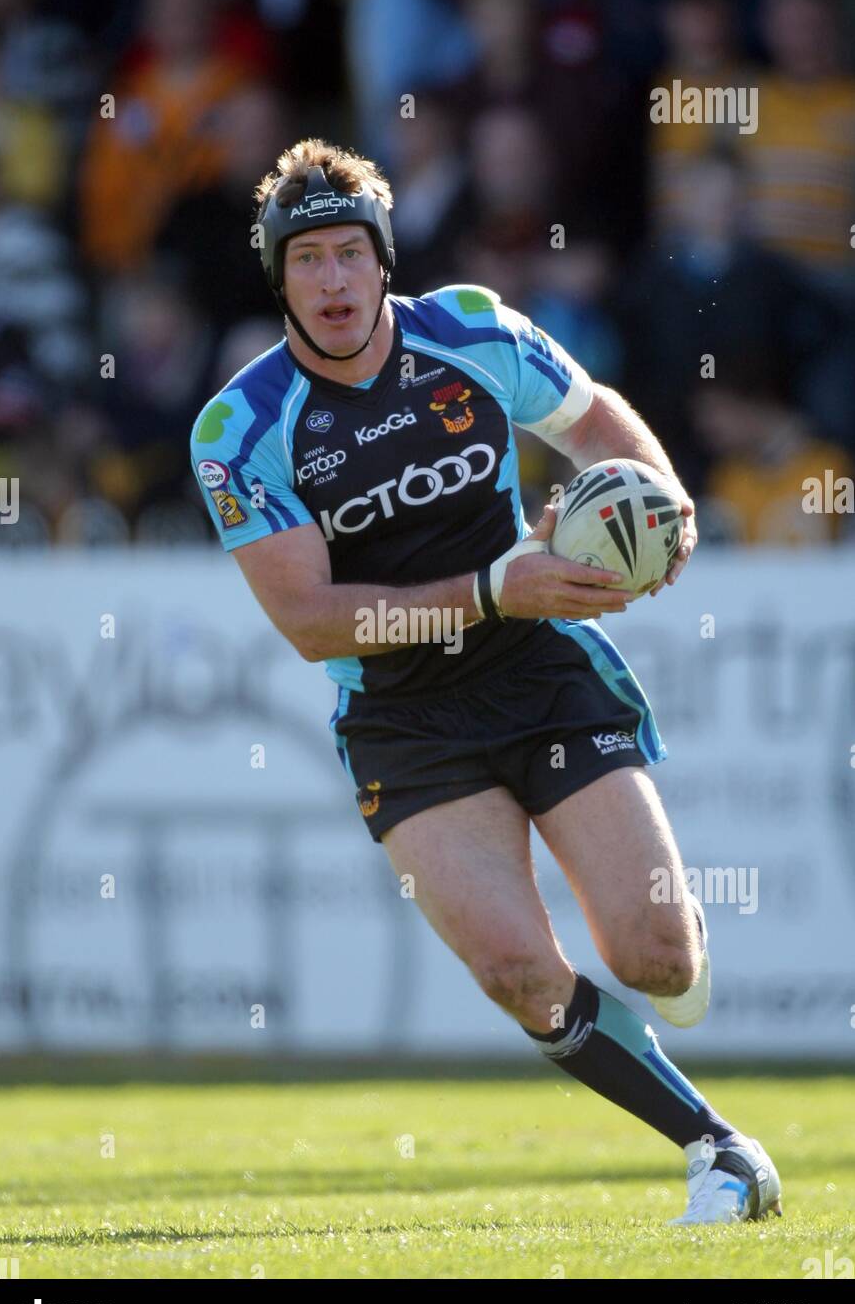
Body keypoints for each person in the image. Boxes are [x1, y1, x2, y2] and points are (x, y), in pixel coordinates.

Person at [189, 139, 782, 1225]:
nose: (331, 282)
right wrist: (496, 585)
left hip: (539, 668)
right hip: (404, 714)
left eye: (349, 256)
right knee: (517, 971)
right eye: (307, 259)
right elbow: (311, 619)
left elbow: (591, 412)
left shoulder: (467, 327)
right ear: (280, 275)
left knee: (653, 953)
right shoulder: (239, 427)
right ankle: (720, 1149)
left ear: (382, 262)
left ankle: (669, 954)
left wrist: (660, 495)